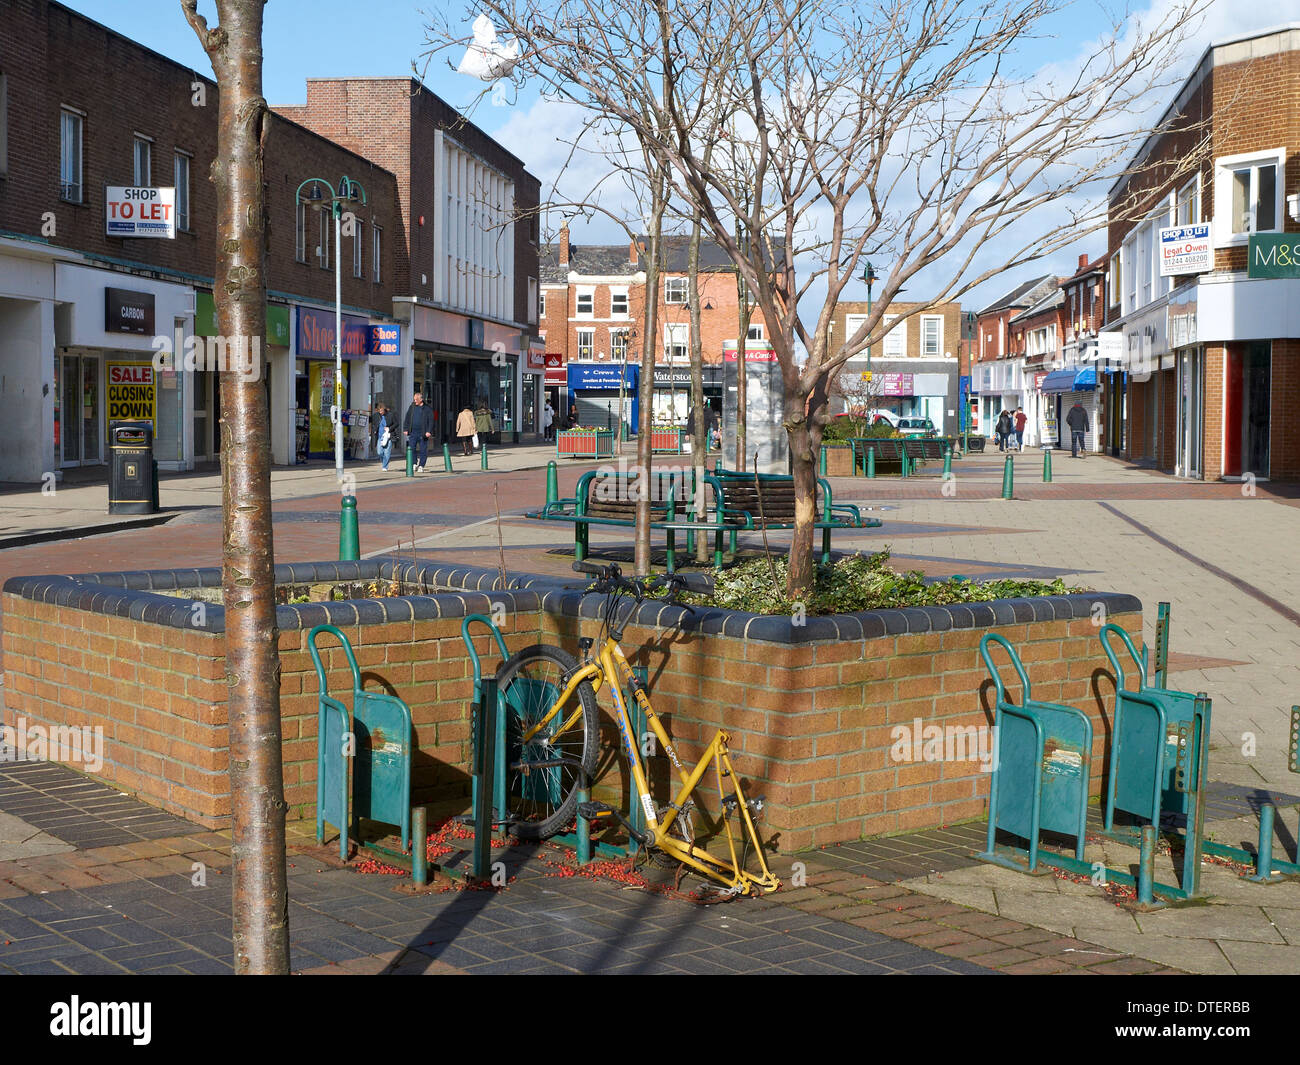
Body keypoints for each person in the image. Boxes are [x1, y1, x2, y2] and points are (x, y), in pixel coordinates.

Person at [402, 392, 434, 472]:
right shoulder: (412, 407)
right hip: (413, 432)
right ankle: (414, 463)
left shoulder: (427, 409)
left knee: (423, 450)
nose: (415, 401)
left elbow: (431, 421)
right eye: (414, 399)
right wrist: (405, 429)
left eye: (416, 399)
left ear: (421, 399)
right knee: (411, 448)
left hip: (423, 433)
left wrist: (429, 431)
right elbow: (407, 418)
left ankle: (421, 465)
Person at [374, 404, 393, 471]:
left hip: (388, 436)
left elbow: (396, 423)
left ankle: (385, 466)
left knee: (387, 452)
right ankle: (384, 462)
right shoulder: (377, 415)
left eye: (381, 411)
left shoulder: (390, 415)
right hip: (380, 437)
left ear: (384, 409)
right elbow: (373, 422)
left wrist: (389, 428)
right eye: (379, 411)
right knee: (379, 452)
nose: (380, 412)